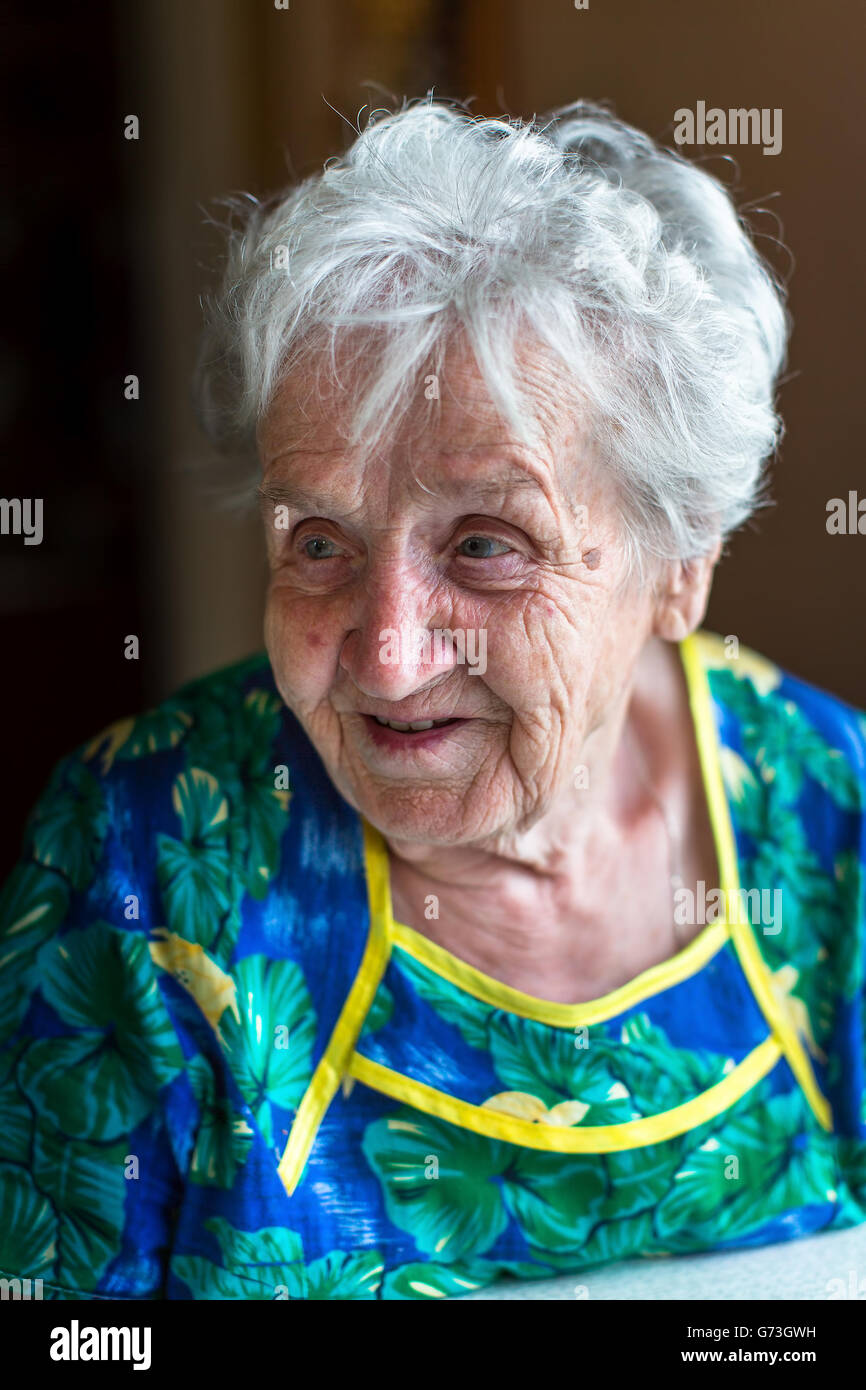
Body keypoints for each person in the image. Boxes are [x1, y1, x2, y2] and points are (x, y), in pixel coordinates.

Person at [1, 99, 863, 1301]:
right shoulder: (139, 857)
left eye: (486, 543)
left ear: (680, 564)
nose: (389, 658)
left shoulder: (836, 818)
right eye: (318, 543)